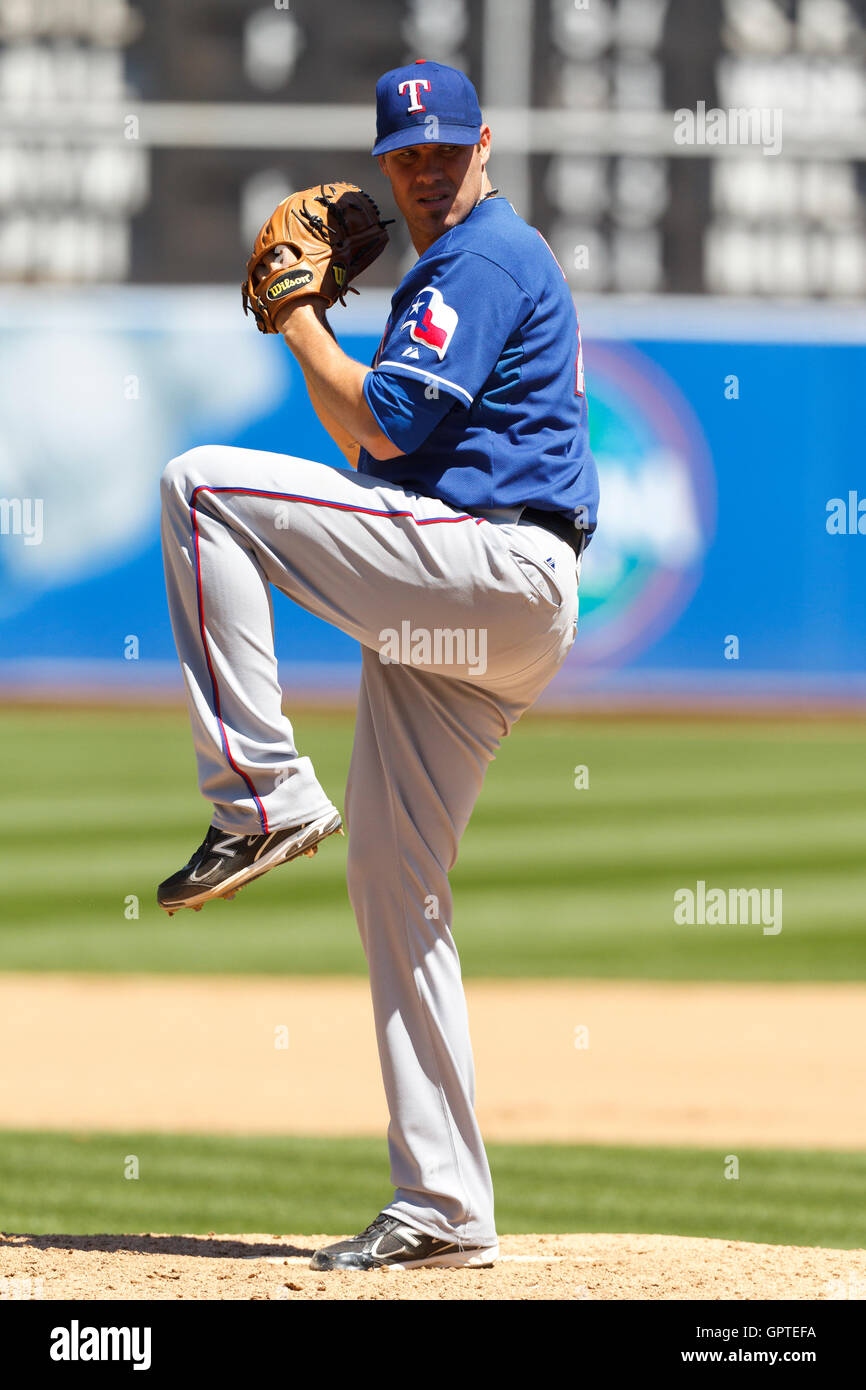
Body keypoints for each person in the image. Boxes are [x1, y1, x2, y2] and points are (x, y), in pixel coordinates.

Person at [158, 59, 598, 1272]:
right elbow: (378, 442)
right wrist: (324, 334)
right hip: (470, 608)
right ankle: (444, 1204)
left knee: (200, 485)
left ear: (484, 143)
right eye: (402, 154)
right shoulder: (443, 273)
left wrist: (296, 314)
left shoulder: (482, 259)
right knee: (394, 883)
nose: (420, 171)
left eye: (441, 151)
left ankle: (260, 793)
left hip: (497, 572)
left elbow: (381, 428)